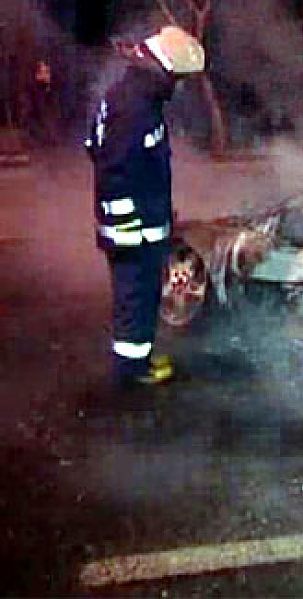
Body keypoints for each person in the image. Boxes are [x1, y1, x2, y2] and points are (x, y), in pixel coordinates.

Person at [85, 26, 204, 386]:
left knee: (135, 295)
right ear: (165, 70)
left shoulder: (128, 95)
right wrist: (136, 221)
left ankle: (134, 364)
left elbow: (93, 145)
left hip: (132, 223)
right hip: (132, 228)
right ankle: (133, 372)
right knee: (136, 297)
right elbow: (117, 165)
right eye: (179, 78)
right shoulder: (135, 107)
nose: (179, 86)